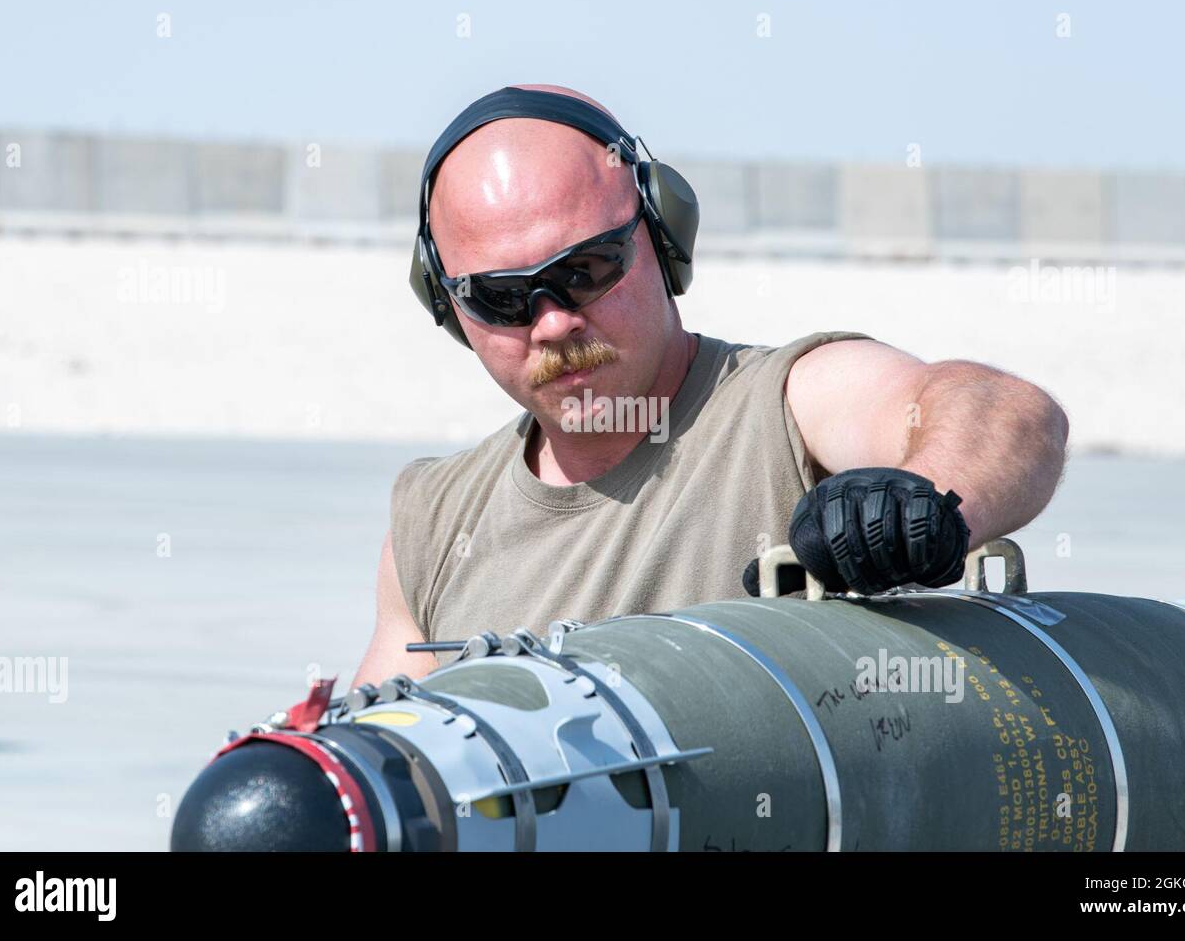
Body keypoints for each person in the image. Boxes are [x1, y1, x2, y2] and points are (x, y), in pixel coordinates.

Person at [351, 84, 1068, 688]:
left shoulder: (785, 409)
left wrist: (920, 503)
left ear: (662, 235)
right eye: (502, 297)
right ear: (448, 309)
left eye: (587, 269)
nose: (553, 323)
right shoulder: (436, 526)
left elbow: (1004, 413)